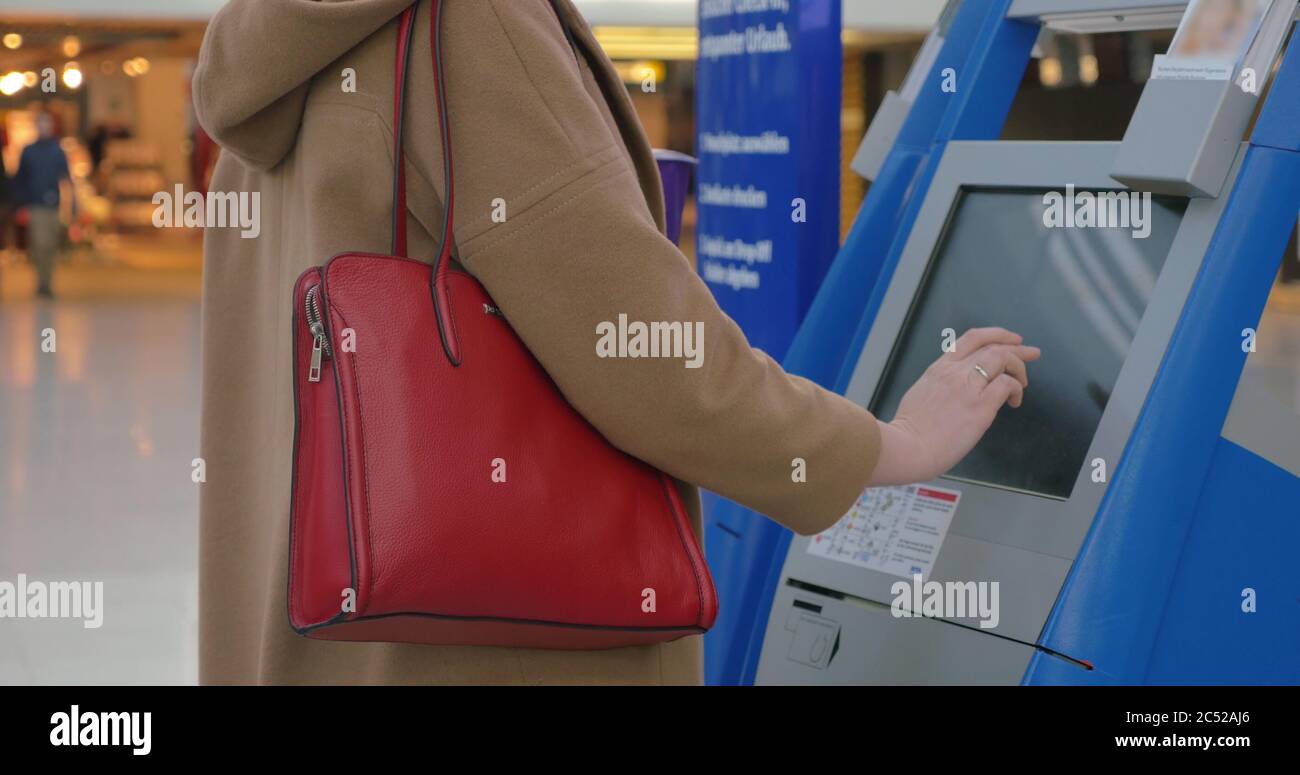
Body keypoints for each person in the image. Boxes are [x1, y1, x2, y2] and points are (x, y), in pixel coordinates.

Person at [192, 0, 1039, 685]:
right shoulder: (470, 24)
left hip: (332, 632)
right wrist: (891, 443)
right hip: (488, 647)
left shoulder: (273, 54)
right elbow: (649, 352)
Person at [14, 112, 72, 299]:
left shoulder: (57, 151)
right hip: (35, 204)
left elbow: (66, 178)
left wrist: (72, 207)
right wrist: (20, 204)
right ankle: (41, 280)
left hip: (53, 204)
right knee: (40, 243)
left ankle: (48, 280)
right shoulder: (28, 151)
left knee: (51, 245)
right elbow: (21, 178)